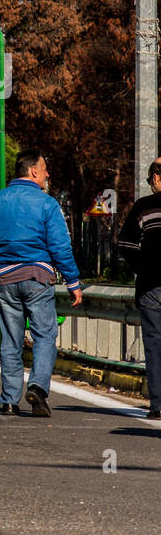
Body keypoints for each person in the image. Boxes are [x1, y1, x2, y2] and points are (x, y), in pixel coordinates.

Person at [0, 149, 83, 417]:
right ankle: (38, 388)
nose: (48, 174)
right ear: (34, 172)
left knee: (11, 340)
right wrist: (73, 281)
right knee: (44, 335)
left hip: (4, 279)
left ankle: (8, 400)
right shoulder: (46, 204)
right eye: (45, 169)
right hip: (37, 277)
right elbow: (60, 247)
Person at [117, 156, 161, 419]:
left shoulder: (143, 208)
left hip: (151, 288)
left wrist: (144, 269)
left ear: (156, 178)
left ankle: (157, 406)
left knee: (155, 346)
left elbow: (127, 247)